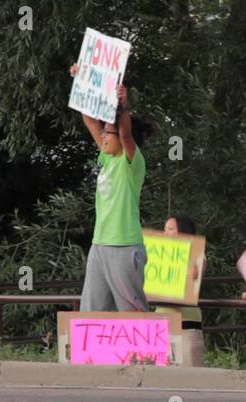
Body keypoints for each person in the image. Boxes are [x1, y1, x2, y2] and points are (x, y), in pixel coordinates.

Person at [70, 64, 149, 313]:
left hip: (125, 246)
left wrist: (123, 105)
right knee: (92, 309)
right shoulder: (106, 158)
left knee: (131, 311)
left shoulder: (131, 162)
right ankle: (91, 355)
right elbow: (88, 119)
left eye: (108, 132)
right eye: (103, 132)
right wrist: (82, 81)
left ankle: (145, 354)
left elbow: (125, 134)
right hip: (100, 244)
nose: (103, 136)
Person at [156, 216, 206, 366]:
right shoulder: (157, 258)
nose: (165, 234)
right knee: (164, 378)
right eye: (164, 230)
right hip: (163, 323)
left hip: (187, 323)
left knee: (190, 376)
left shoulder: (196, 254)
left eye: (171, 229)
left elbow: (194, 276)